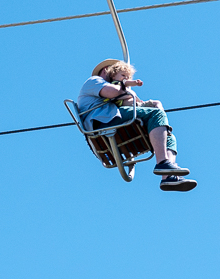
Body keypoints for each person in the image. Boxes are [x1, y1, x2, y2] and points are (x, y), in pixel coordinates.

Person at [76, 59, 197, 192]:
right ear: (107, 71)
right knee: (155, 115)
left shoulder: (116, 93)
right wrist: (127, 88)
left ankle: (168, 176)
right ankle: (163, 163)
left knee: (169, 137)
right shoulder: (94, 81)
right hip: (105, 121)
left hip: (117, 121)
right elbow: (112, 92)